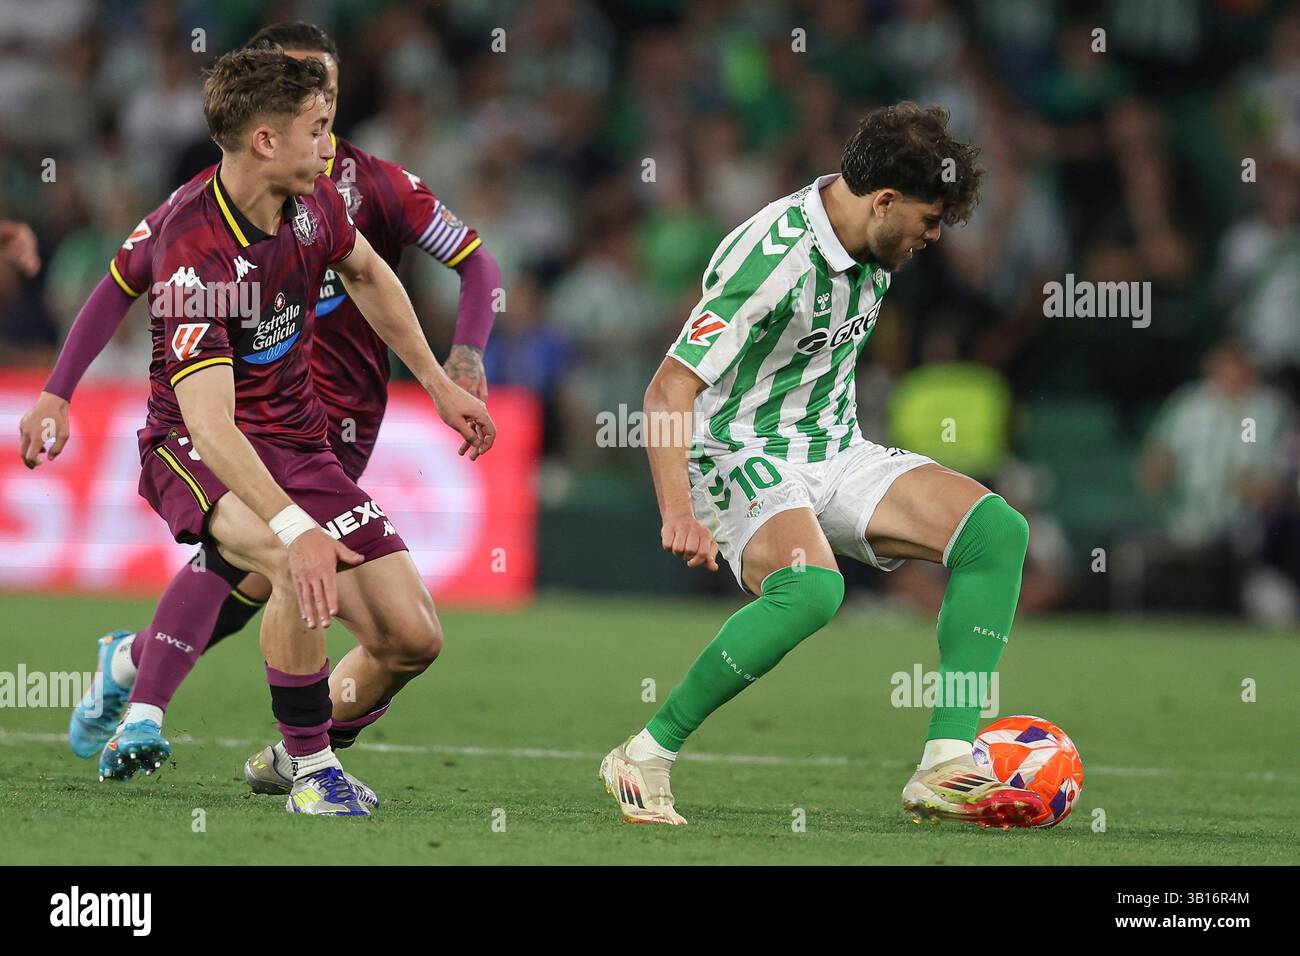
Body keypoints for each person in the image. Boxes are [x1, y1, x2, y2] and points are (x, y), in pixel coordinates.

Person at [17, 24, 501, 803]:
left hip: (299, 441)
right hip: (196, 447)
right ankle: (309, 768)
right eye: (318, 126)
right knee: (280, 562)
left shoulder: (312, 204)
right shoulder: (194, 253)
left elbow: (372, 275)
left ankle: (196, 698)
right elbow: (209, 424)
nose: (332, 140)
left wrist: (439, 382)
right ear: (267, 139)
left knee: (413, 638)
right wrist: (291, 526)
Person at [599, 103, 1044, 828]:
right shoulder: (769, 260)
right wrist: (678, 509)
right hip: (734, 448)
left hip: (833, 447)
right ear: (885, 201)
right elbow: (669, 387)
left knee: (997, 533)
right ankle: (645, 754)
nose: (933, 237)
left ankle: (946, 761)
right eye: (930, 221)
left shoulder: (876, 240)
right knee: (812, 591)